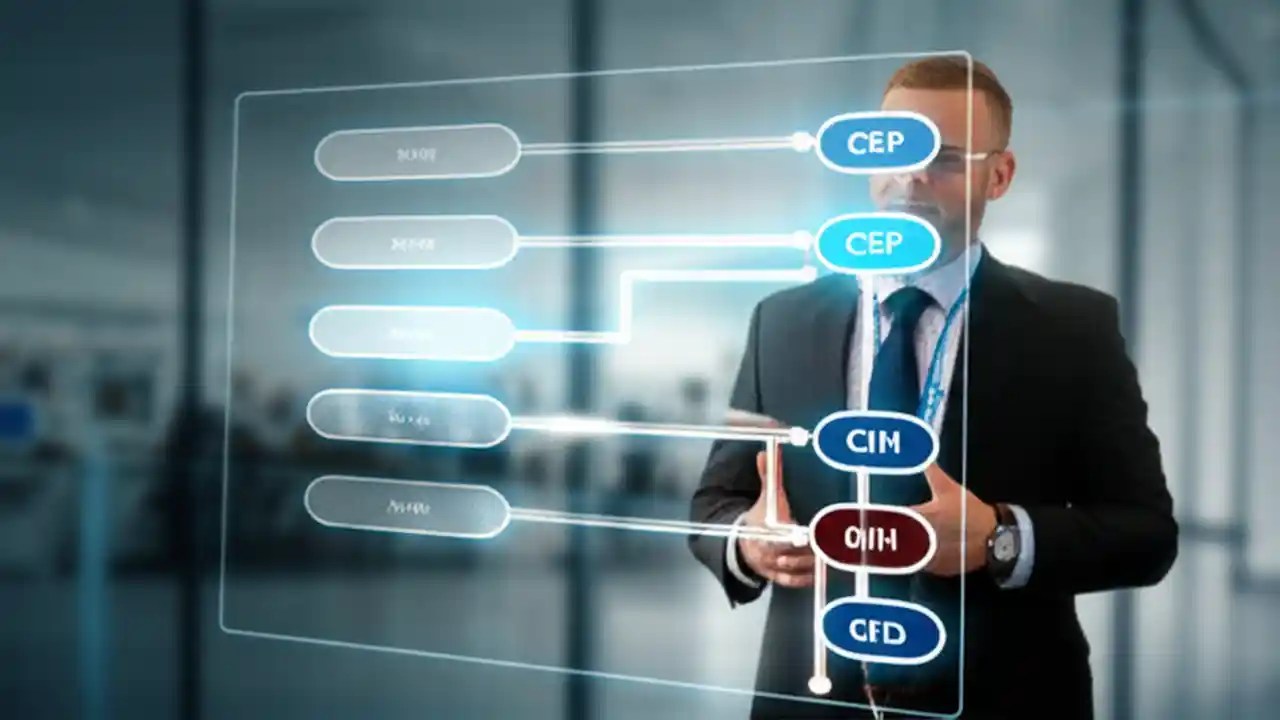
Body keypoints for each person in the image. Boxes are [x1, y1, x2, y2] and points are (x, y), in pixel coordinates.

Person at [688, 57, 1177, 719]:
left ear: (998, 176)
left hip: (1009, 700)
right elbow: (715, 501)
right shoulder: (781, 322)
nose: (911, 177)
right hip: (810, 700)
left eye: (943, 157)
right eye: (893, 151)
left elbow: (1146, 533)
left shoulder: (1074, 329)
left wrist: (1002, 538)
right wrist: (746, 542)